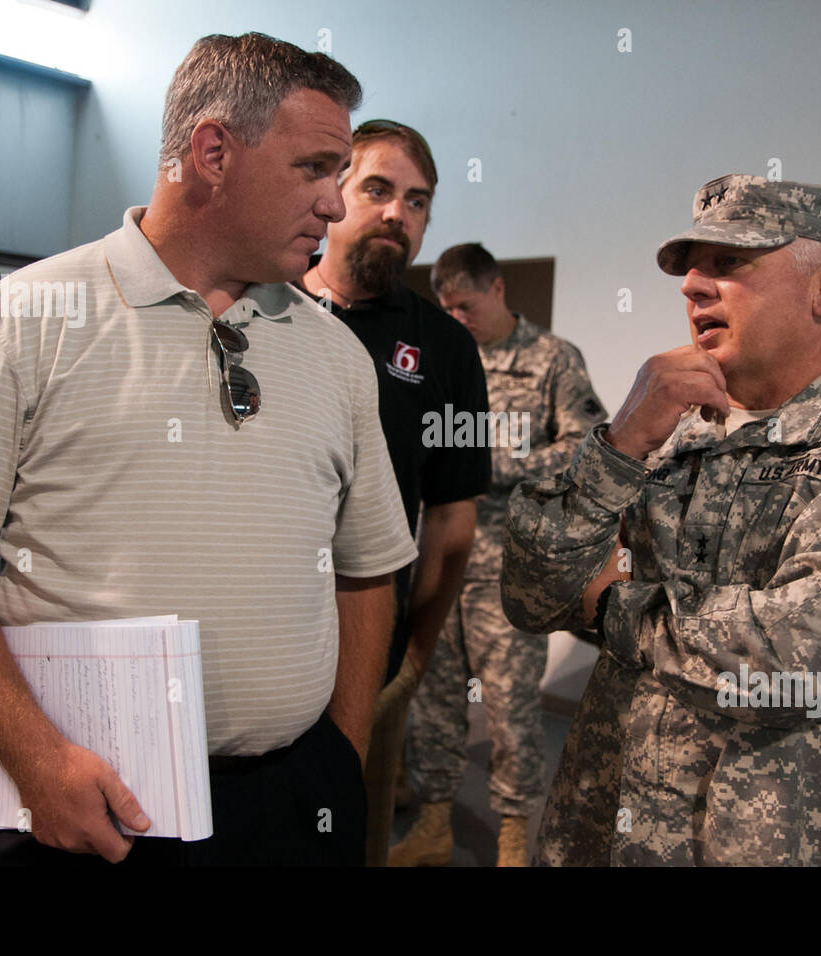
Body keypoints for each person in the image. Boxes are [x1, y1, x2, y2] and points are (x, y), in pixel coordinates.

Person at [0, 32, 418, 867]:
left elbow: (367, 568)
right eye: (316, 168)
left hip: (290, 809)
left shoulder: (335, 355)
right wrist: (37, 760)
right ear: (214, 152)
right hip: (74, 809)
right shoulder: (25, 318)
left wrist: (339, 754)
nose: (335, 206)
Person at [501, 174, 821, 866]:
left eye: (729, 264)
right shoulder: (665, 430)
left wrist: (613, 606)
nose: (693, 286)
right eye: (691, 268)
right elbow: (529, 595)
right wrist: (618, 446)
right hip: (606, 833)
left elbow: (804, 656)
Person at [297, 121, 491, 866]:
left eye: (417, 202)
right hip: (250, 643)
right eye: (377, 189)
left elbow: (450, 519)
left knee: (351, 838)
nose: (396, 214)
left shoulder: (443, 348)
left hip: (369, 653)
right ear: (333, 190)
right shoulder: (260, 307)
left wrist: (415, 654)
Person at [388, 243, 607, 866]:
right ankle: (432, 824)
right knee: (432, 697)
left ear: (499, 289)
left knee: (510, 707)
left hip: (508, 570)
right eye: (447, 307)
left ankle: (514, 837)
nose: (456, 319)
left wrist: (497, 466)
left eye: (467, 305)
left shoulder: (551, 358)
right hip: (435, 558)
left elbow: (590, 445)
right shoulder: (439, 357)